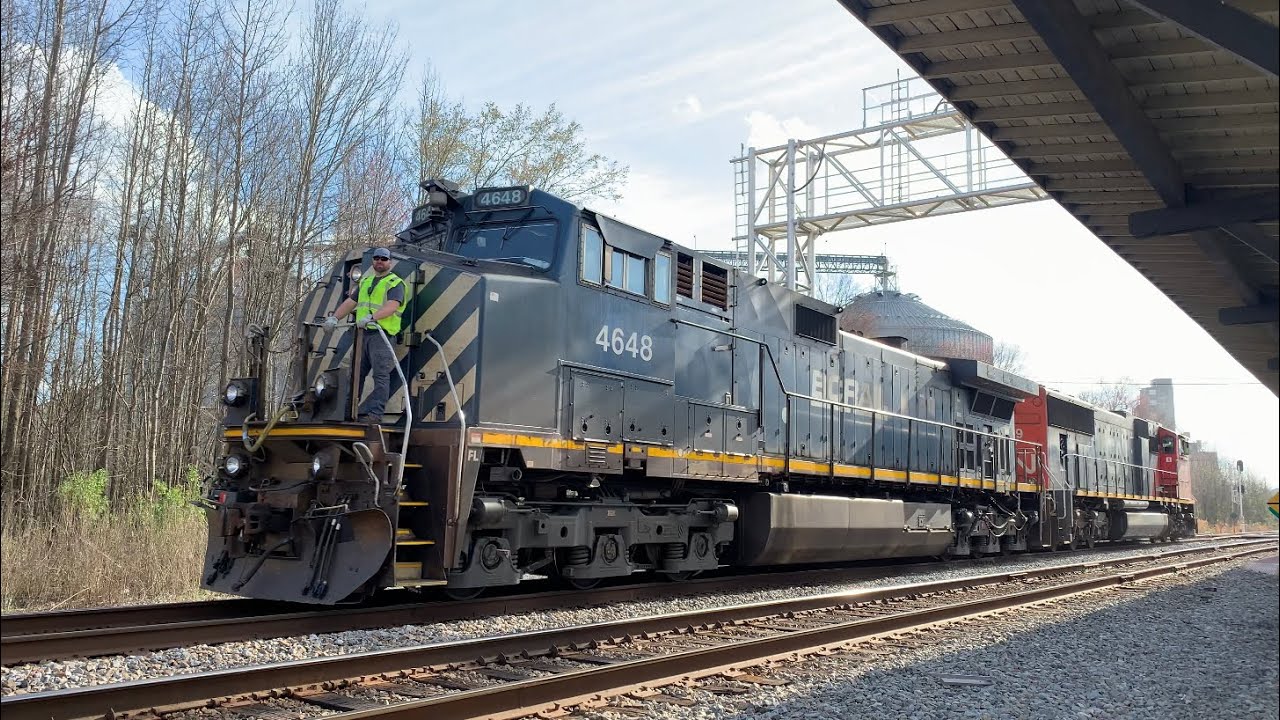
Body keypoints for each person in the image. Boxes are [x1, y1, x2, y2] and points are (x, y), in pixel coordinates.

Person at [325, 247, 405, 424]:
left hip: (382, 335)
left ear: (389, 262)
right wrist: (334, 318)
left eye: (383, 259)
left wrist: (372, 317)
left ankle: (375, 415)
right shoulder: (365, 282)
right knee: (355, 374)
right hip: (362, 335)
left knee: (380, 376)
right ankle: (347, 412)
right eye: (376, 258)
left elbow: (392, 306)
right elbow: (350, 302)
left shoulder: (395, 283)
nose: (379, 261)